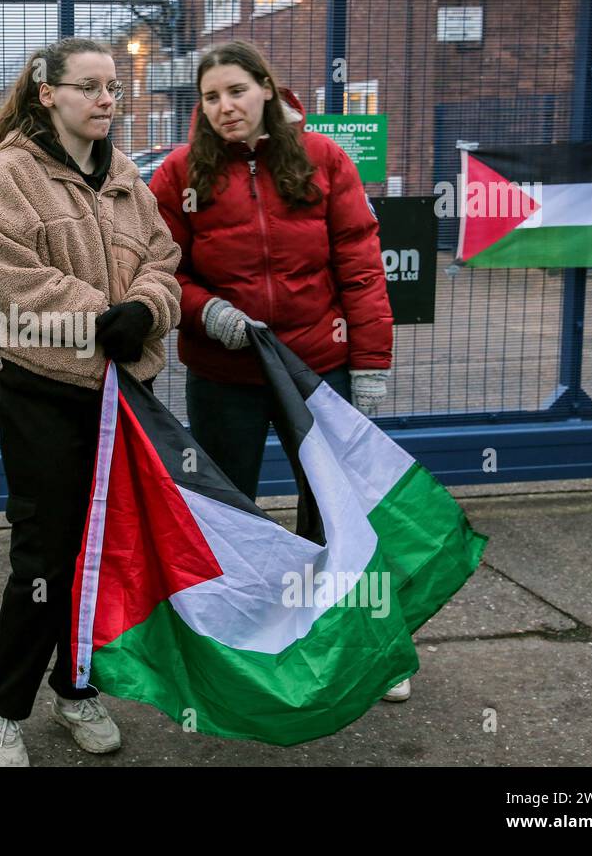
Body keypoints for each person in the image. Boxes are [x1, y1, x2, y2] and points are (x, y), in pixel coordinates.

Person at [150, 41, 409, 701]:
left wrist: (371, 364)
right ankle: (239, 644)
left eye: (236, 90)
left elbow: (358, 261)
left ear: (266, 88)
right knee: (228, 510)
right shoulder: (180, 175)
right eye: (211, 98)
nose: (225, 107)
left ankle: (349, 641)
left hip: (316, 371)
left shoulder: (323, 160)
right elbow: (160, 271)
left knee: (334, 509)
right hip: (224, 375)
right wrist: (207, 313)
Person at [0, 37, 182, 765]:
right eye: (89, 86)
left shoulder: (123, 174)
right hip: (43, 391)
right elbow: (10, 288)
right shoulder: (13, 174)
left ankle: (77, 688)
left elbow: (164, 259)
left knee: (104, 548)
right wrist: (101, 318)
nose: (106, 100)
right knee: (45, 557)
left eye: (113, 87)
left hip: (124, 392)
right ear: (47, 93)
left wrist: (147, 309)